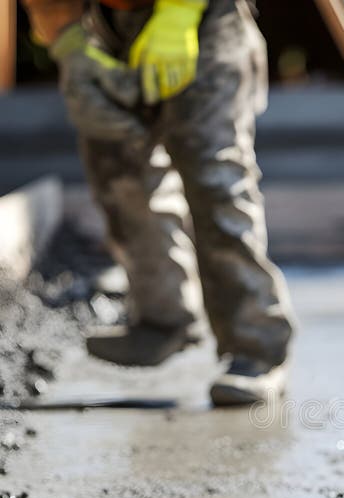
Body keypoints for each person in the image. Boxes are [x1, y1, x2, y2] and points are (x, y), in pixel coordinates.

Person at [22, 0, 296, 405]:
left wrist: (181, 10)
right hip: (110, 27)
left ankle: (256, 347)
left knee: (213, 176)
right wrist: (68, 41)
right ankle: (162, 319)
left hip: (206, 20)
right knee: (118, 169)